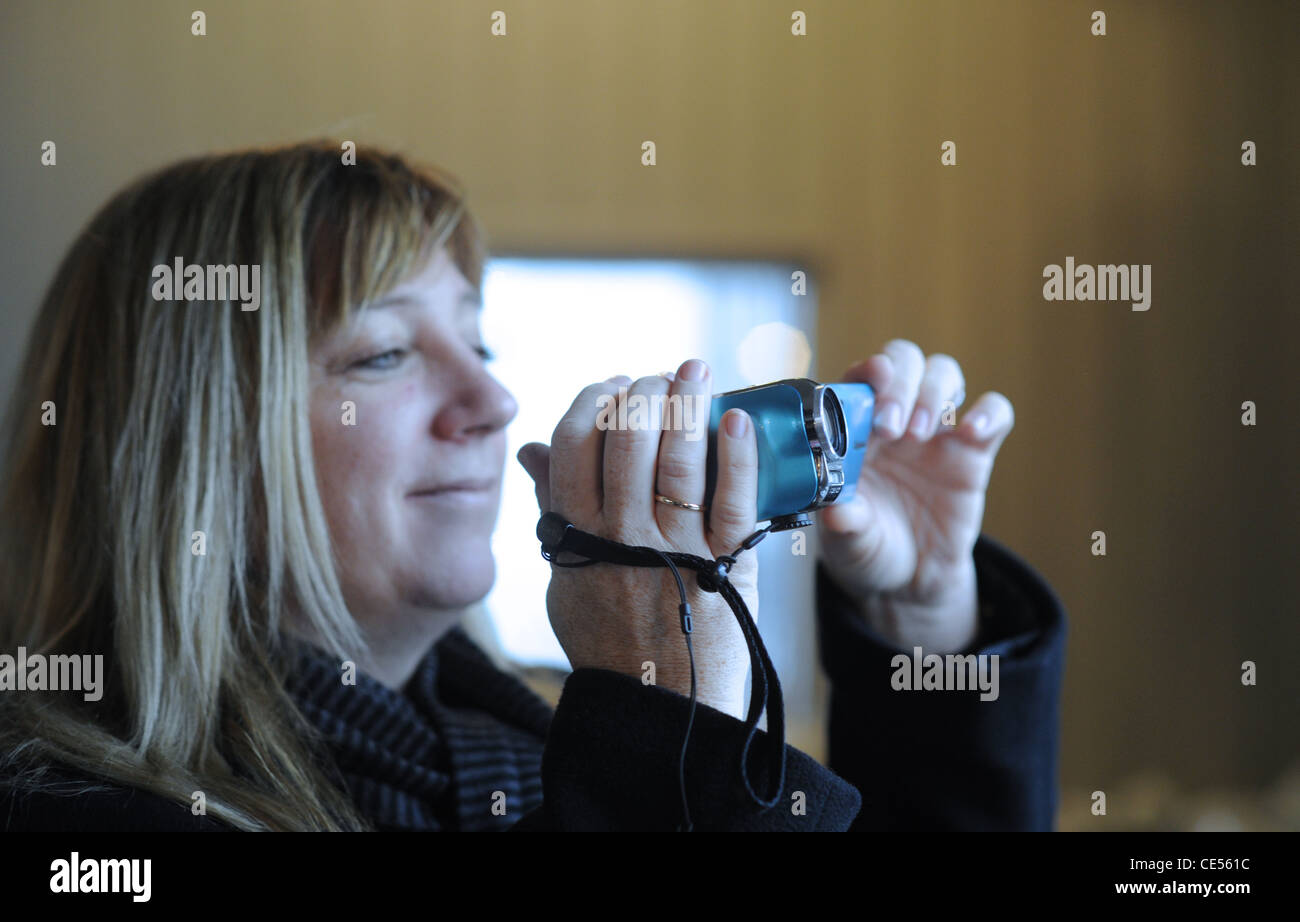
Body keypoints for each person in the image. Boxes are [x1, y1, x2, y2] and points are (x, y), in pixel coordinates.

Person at [0, 141, 1065, 831]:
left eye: (479, 340)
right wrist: (662, 732)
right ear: (187, 445)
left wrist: (922, 623)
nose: (495, 400)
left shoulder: (522, 751)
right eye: (383, 354)